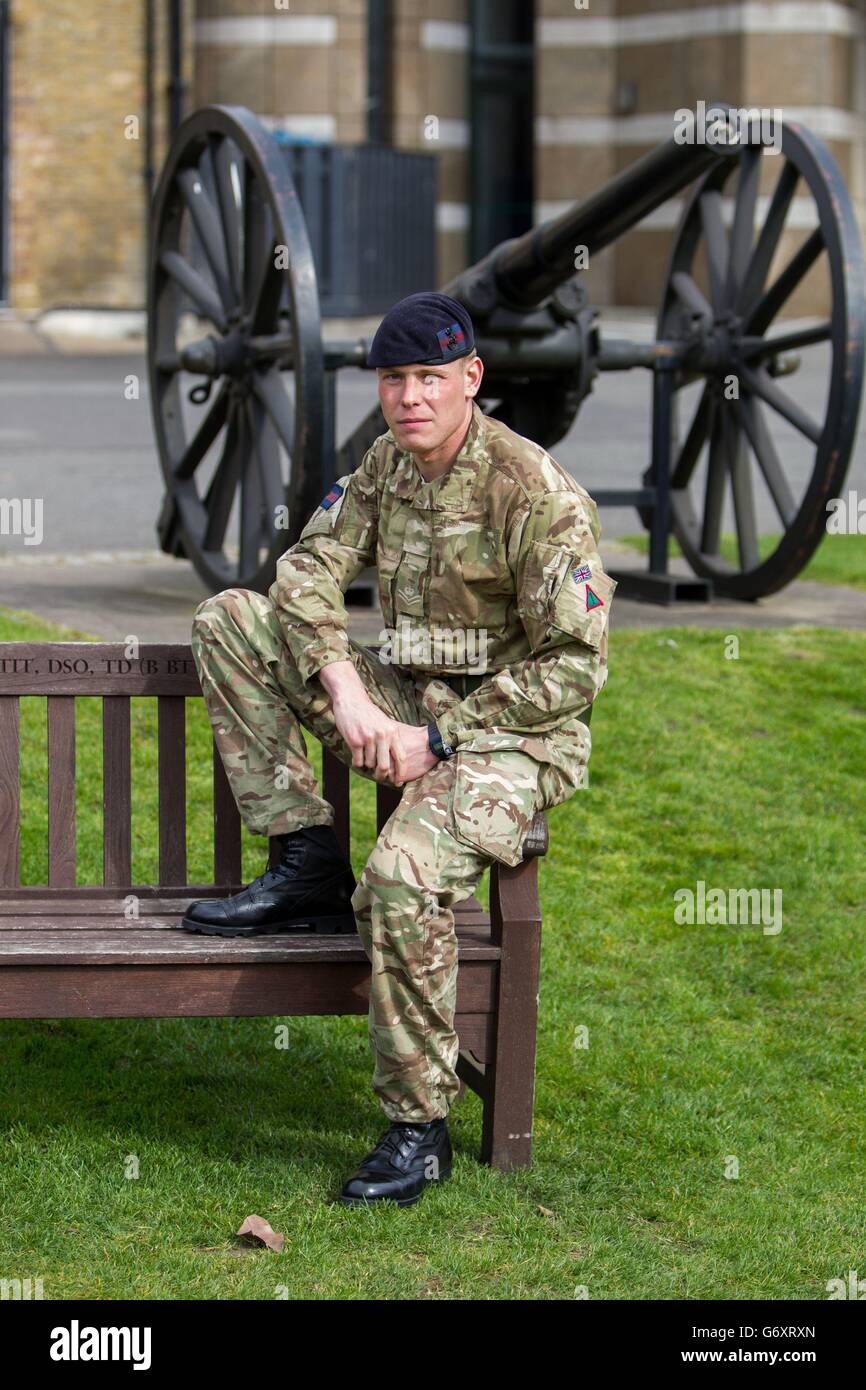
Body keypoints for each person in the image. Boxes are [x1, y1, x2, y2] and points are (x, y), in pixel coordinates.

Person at [182, 290, 617, 1207]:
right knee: (232, 618)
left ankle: (420, 1129)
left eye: (429, 377)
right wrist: (342, 685)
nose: (410, 397)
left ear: (471, 379)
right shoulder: (386, 465)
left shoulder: (532, 491)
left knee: (399, 878)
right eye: (393, 379)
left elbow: (575, 669)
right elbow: (305, 566)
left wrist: (437, 739)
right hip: (403, 697)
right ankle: (303, 860)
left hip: (512, 734)